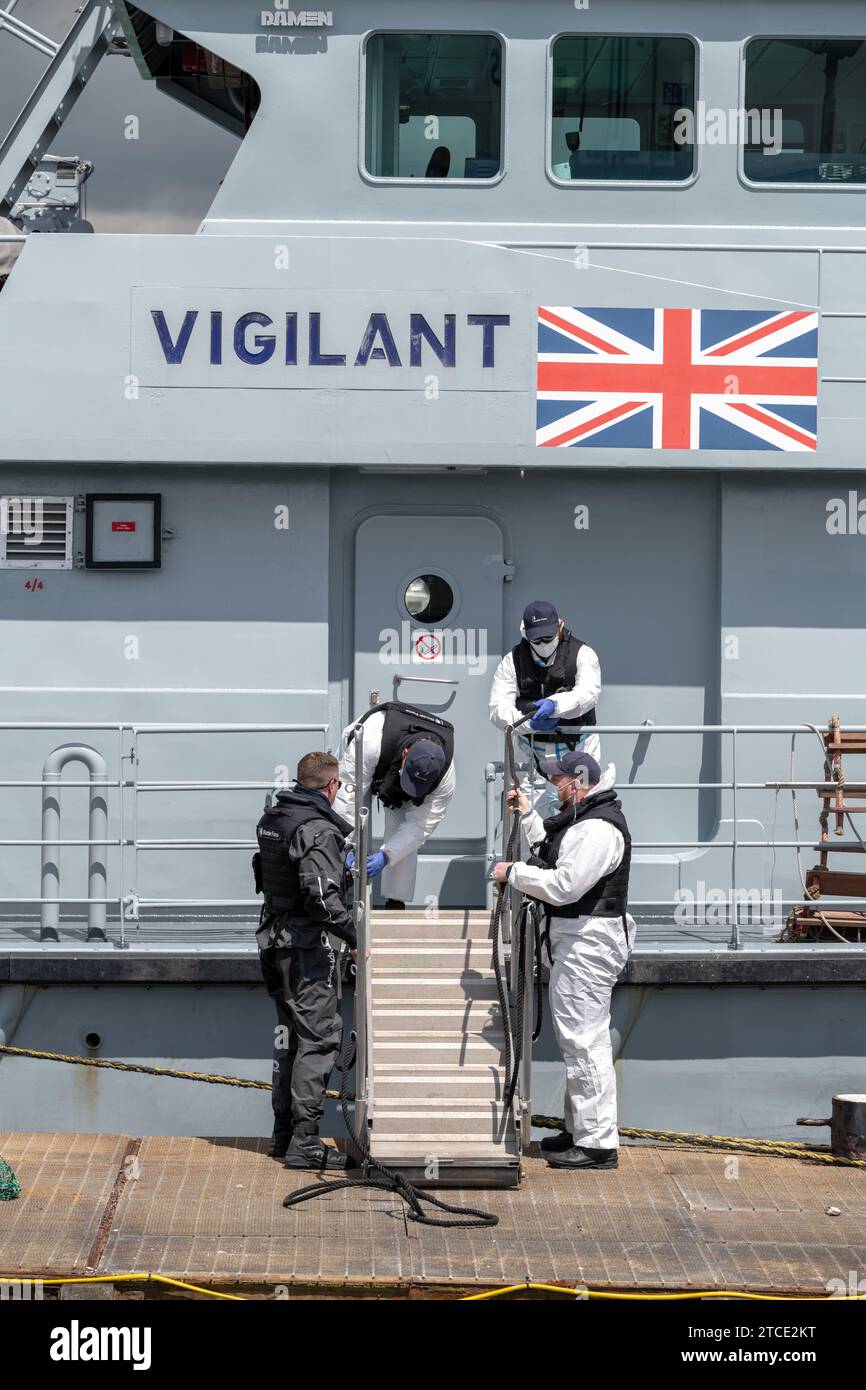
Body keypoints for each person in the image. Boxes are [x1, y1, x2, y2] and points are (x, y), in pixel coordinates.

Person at [493, 751, 635, 1170]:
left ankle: (597, 1144)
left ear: (577, 783)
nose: (554, 787)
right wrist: (527, 816)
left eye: (558, 780)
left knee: (584, 1039)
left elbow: (564, 885)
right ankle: (579, 1130)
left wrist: (512, 873)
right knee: (578, 1036)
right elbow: (553, 853)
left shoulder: (597, 829)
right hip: (578, 942)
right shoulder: (584, 821)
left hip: (588, 943)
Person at [253, 750, 356, 1170]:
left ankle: (283, 1136)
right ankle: (305, 1143)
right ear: (331, 786)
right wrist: (358, 935)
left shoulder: (274, 819)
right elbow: (322, 897)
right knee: (319, 1037)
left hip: (272, 942)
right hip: (304, 948)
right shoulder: (317, 829)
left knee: (291, 1039)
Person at [333, 701, 455, 909]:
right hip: (366, 759)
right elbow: (346, 797)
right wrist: (343, 845)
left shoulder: (445, 778)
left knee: (403, 831)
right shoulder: (370, 741)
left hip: (392, 762)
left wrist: (386, 855)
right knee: (347, 815)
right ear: (406, 754)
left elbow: (421, 825)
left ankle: (395, 903)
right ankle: (341, 892)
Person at [489, 600, 601, 810]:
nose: (543, 644)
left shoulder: (583, 654)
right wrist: (530, 724)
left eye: (548, 638)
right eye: (536, 639)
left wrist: (554, 704)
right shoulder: (511, 662)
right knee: (530, 819)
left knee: (583, 814)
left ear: (560, 626)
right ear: (525, 634)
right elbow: (498, 711)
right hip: (533, 754)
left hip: (578, 750)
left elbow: (588, 694)